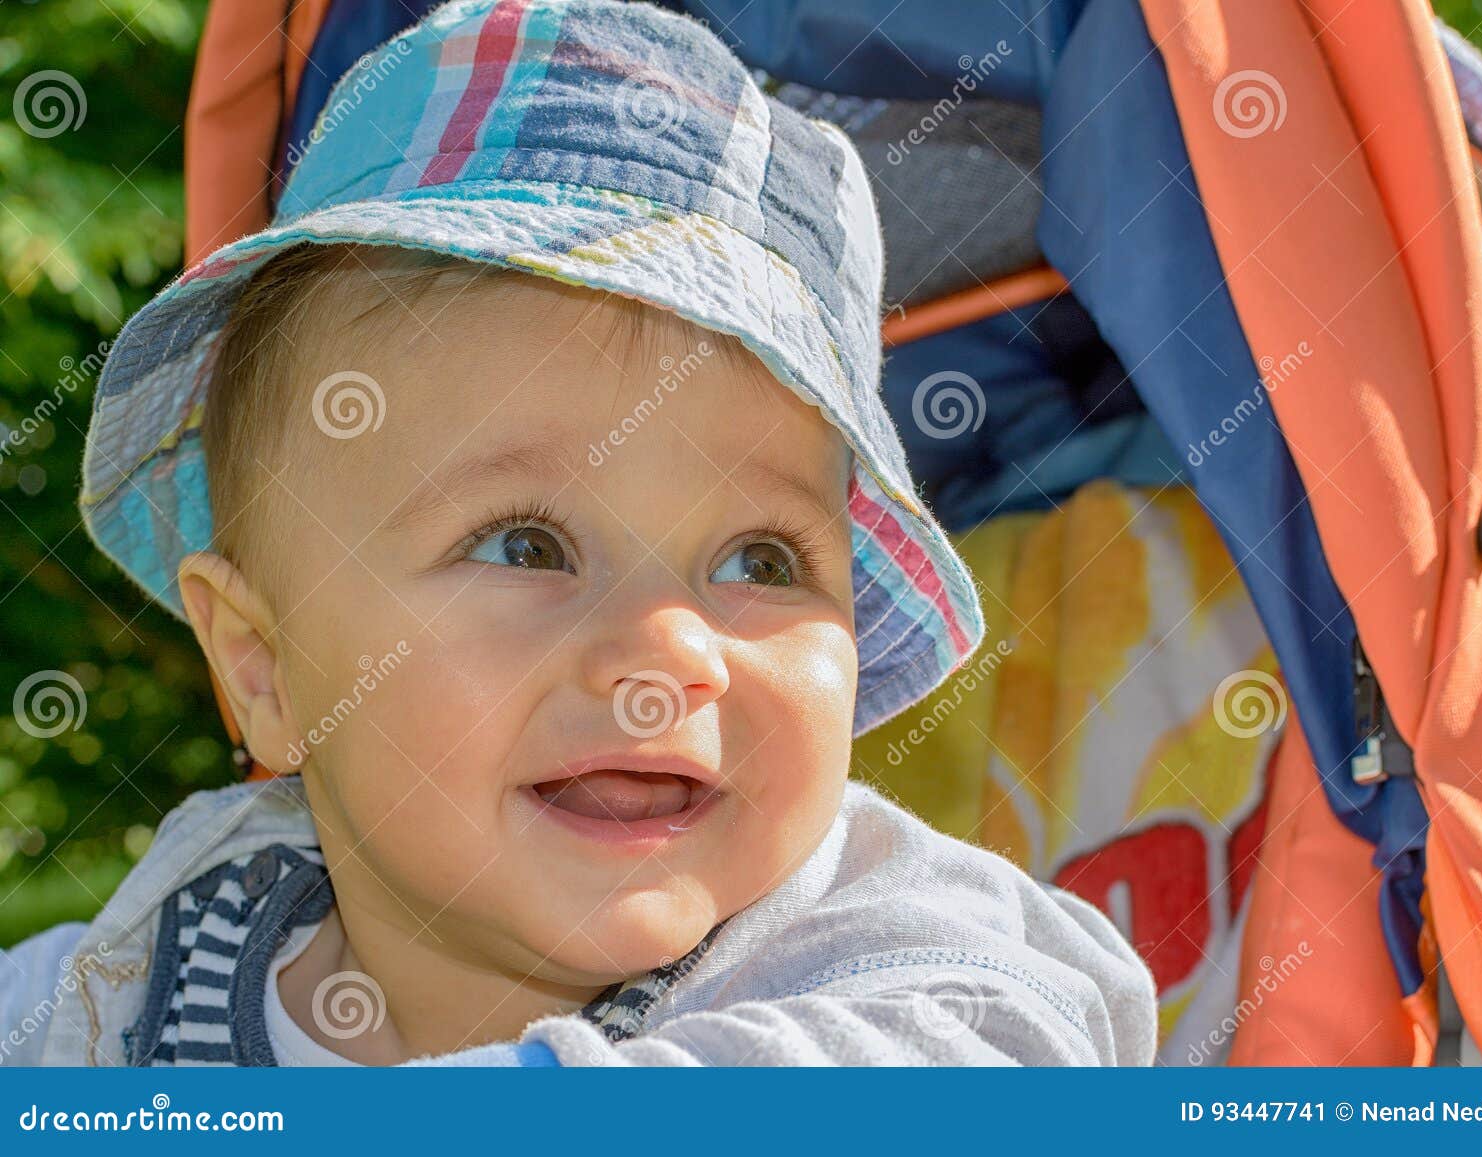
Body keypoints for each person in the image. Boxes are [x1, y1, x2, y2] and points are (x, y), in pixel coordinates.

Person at [0, 0, 1155, 1067]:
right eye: (524, 544)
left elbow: (1012, 1042)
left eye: (761, 561)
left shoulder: (884, 951)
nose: (670, 652)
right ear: (262, 663)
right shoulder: (149, 972)